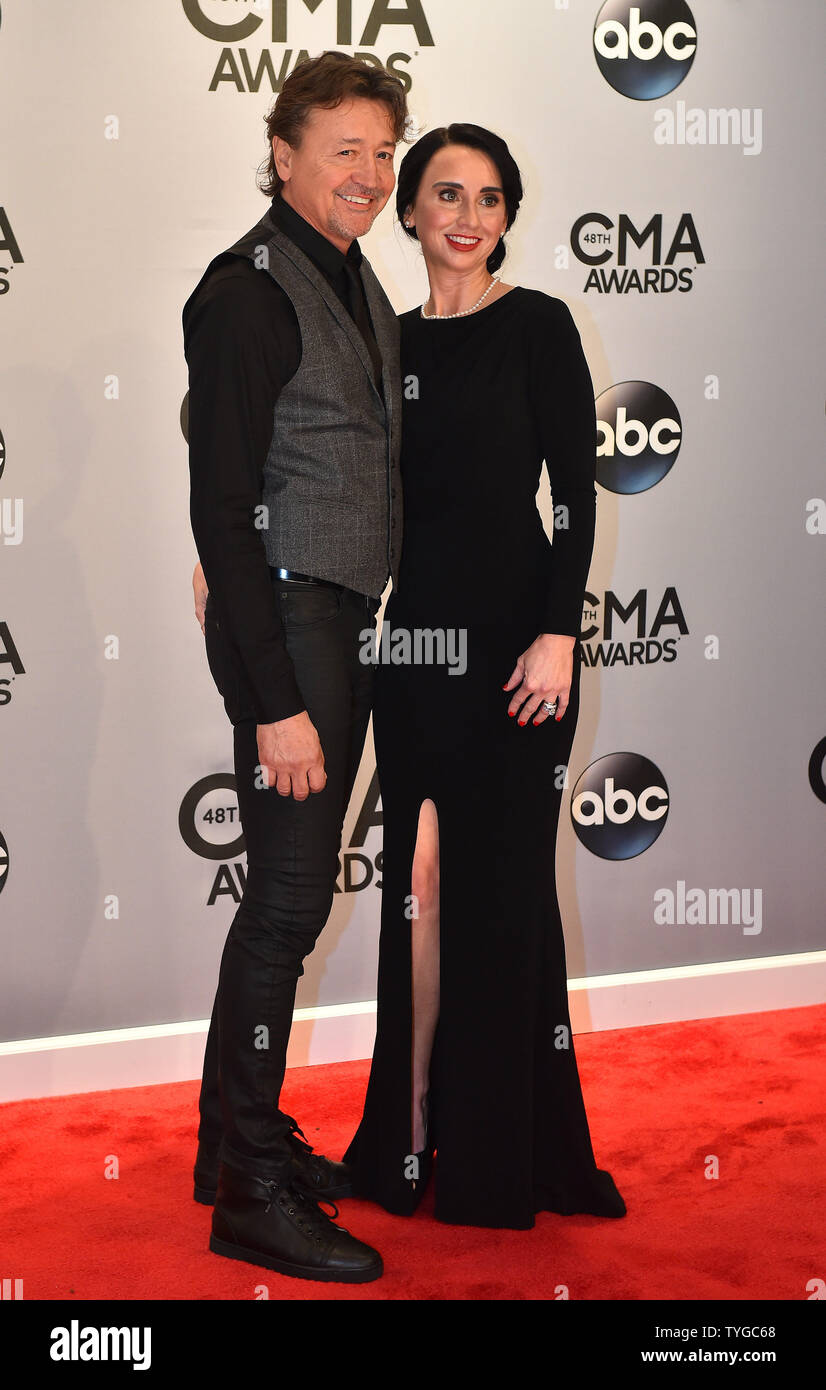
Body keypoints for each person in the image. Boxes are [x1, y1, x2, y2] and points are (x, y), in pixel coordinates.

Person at [343, 124, 627, 1229]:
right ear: (408, 208)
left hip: (516, 652)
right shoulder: (385, 339)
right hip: (411, 650)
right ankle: (409, 1129)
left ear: (508, 216)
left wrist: (559, 634)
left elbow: (577, 495)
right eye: (445, 193)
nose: (466, 215)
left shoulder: (540, 325)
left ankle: (501, 1156)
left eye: (489, 198)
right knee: (414, 888)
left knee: (500, 895)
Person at [183, 52, 409, 1282]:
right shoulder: (250, 291)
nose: (370, 175)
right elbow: (222, 507)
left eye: (383, 152)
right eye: (344, 150)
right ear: (282, 154)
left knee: (283, 904)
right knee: (282, 906)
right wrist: (272, 702)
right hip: (289, 623)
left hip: (336, 615)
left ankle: (233, 1144)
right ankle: (252, 1194)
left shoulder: (350, 276)